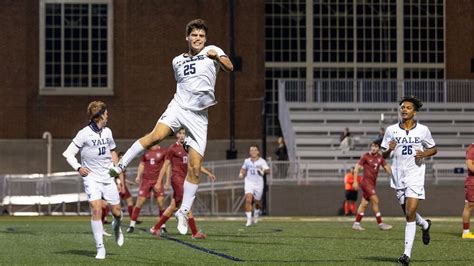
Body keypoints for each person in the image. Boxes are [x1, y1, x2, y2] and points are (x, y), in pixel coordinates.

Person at [108, 18, 233, 235]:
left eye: (201, 36)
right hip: (178, 107)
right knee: (156, 136)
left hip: (199, 117)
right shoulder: (177, 61)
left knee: (194, 168)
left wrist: (219, 58)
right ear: (187, 38)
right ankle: (121, 165)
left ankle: (183, 212)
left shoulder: (212, 50)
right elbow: (183, 85)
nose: (198, 39)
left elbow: (230, 67)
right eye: (194, 35)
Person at [62, 101, 124, 260]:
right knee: (96, 208)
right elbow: (68, 153)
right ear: (100, 116)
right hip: (92, 178)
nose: (108, 116)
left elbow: (112, 151)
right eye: (106, 113)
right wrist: (78, 167)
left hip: (107, 176)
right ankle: (100, 248)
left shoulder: (108, 132)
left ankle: (117, 226)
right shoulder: (83, 133)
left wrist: (116, 168)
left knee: (117, 212)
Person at [381, 96, 437, 265]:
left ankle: (406, 255)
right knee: (408, 212)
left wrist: (424, 153)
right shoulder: (391, 130)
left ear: (415, 111)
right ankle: (425, 225)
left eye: (408, 107)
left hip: (415, 175)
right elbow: (383, 155)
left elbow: (433, 148)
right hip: (398, 176)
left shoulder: (423, 130)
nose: (404, 109)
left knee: (409, 213)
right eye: (402, 107)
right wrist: (388, 150)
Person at [150, 128, 215, 239]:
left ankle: (155, 228)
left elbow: (195, 165)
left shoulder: (190, 148)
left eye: (184, 133)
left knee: (173, 206)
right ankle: (195, 233)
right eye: (179, 133)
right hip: (177, 179)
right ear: (176, 135)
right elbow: (165, 165)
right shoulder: (173, 148)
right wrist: (159, 181)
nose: (181, 135)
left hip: (187, 180)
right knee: (186, 204)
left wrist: (207, 173)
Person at [351, 140, 393, 230]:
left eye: (376, 147)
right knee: (375, 200)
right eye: (372, 146)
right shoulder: (366, 156)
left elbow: (387, 168)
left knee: (364, 204)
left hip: (372, 184)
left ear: (379, 148)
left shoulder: (380, 158)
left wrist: (390, 171)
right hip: (365, 183)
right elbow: (357, 168)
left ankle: (356, 224)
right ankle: (380, 224)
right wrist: (355, 181)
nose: (373, 148)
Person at [127, 144, 168, 233]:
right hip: (146, 181)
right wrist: (138, 176)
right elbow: (142, 164)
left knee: (161, 204)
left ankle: (163, 226)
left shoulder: (163, 152)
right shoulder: (145, 153)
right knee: (139, 202)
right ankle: (132, 225)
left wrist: (167, 181)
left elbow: (167, 166)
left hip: (157, 181)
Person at [239, 145, 270, 227]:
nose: (253, 151)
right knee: (248, 199)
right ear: (249, 152)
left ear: (258, 152)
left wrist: (262, 170)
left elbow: (268, 170)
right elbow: (243, 168)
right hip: (249, 183)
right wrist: (241, 173)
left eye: (255, 150)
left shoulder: (262, 161)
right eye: (251, 150)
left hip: (259, 184)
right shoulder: (247, 161)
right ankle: (249, 220)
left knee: (257, 202)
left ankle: (256, 213)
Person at [116, 152, 135, 218]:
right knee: (112, 203)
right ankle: (132, 218)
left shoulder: (123, 165)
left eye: (123, 157)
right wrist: (119, 185)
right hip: (118, 186)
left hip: (121, 185)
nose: (122, 158)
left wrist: (128, 182)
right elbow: (116, 177)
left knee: (129, 200)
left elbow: (122, 178)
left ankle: (132, 217)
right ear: (118, 157)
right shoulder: (116, 165)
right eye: (121, 157)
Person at [462, 143, 474, 239]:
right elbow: (470, 165)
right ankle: (465, 232)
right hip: (472, 181)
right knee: (469, 206)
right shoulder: (472, 149)